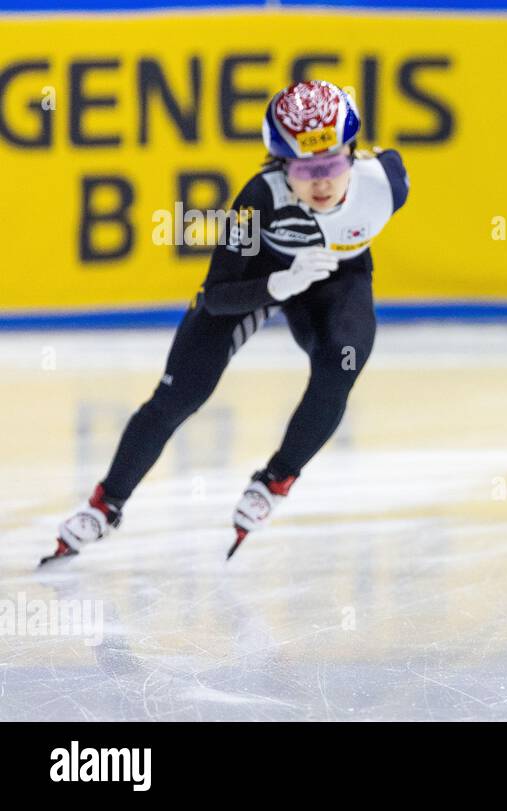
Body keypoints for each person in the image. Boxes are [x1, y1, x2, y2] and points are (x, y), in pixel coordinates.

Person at [45, 80, 411, 563]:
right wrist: (277, 285)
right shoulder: (258, 200)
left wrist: (307, 278)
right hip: (258, 276)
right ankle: (105, 503)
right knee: (179, 395)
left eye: (332, 164)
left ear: (352, 152)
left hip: (335, 277)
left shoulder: (386, 182)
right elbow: (216, 297)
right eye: (305, 169)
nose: (321, 181)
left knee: (340, 366)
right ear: (282, 163)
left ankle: (277, 479)